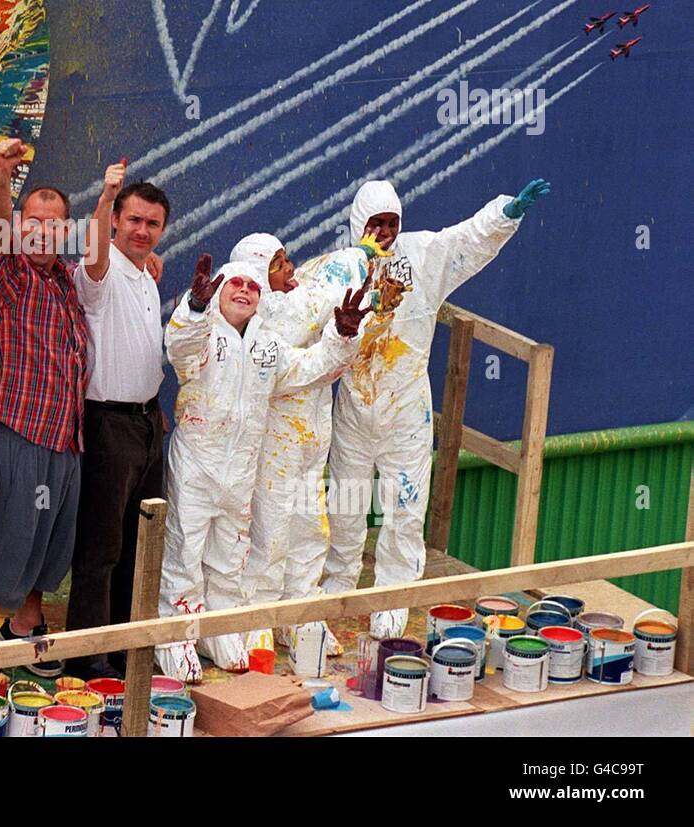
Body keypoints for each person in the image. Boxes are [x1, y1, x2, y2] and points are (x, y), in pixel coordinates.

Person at [322, 178, 551, 638]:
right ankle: (335, 592)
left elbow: (465, 239)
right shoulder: (339, 270)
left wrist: (506, 212)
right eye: (374, 224)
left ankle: (394, 597)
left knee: (404, 508)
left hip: (406, 413)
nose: (384, 232)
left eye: (391, 222)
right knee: (346, 506)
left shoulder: (422, 257)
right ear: (356, 225)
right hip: (352, 413)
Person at [156, 256, 370, 682]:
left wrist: (342, 335)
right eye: (234, 283)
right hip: (197, 466)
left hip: (240, 473)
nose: (243, 290)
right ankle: (176, 634)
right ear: (218, 290)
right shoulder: (202, 336)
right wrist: (194, 309)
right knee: (184, 551)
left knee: (229, 556)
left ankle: (217, 629)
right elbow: (177, 347)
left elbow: (311, 369)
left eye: (252, 287)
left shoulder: (267, 347)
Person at [230, 231, 386, 657]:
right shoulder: (265, 317)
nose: (290, 270)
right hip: (275, 441)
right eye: (279, 265)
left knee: (310, 525)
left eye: (287, 260)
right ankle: (257, 617)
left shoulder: (297, 302)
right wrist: (355, 259)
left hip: (313, 435)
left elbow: (320, 305)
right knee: (272, 527)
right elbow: (313, 312)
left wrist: (345, 321)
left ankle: (299, 615)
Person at [0, 137, 90, 678]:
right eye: (32, 221)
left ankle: (27, 627)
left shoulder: (67, 280)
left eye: (54, 223)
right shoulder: (7, 274)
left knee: (51, 540)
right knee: (9, 535)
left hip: (67, 437)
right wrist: (1, 176)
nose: (43, 231)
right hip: (19, 431)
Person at [65, 168, 171, 681]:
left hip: (149, 423)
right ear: (114, 222)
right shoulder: (98, 276)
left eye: (153, 223)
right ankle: (87, 660)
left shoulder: (148, 276)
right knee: (101, 549)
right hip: (108, 425)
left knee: (138, 546)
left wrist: (154, 410)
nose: (142, 231)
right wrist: (105, 193)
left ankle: (128, 650)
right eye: (133, 219)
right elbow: (96, 254)